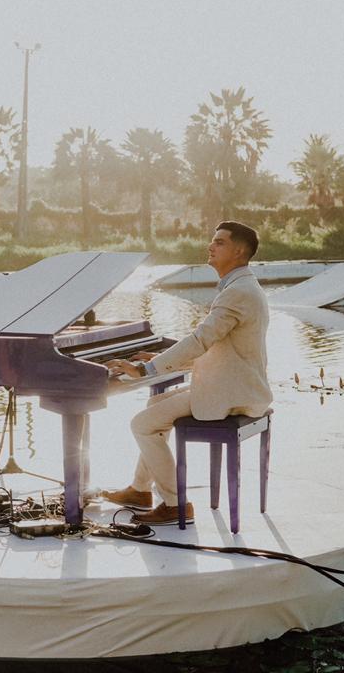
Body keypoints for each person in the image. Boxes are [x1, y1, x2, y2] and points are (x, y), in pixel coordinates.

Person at [102, 221, 272, 525]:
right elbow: (216, 348)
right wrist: (159, 357)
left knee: (141, 425)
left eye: (219, 242)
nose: (211, 246)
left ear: (240, 251)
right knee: (156, 406)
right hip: (237, 384)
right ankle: (140, 491)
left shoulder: (237, 293)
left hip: (233, 393)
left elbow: (200, 341)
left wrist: (145, 369)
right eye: (213, 240)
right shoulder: (242, 287)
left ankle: (175, 504)